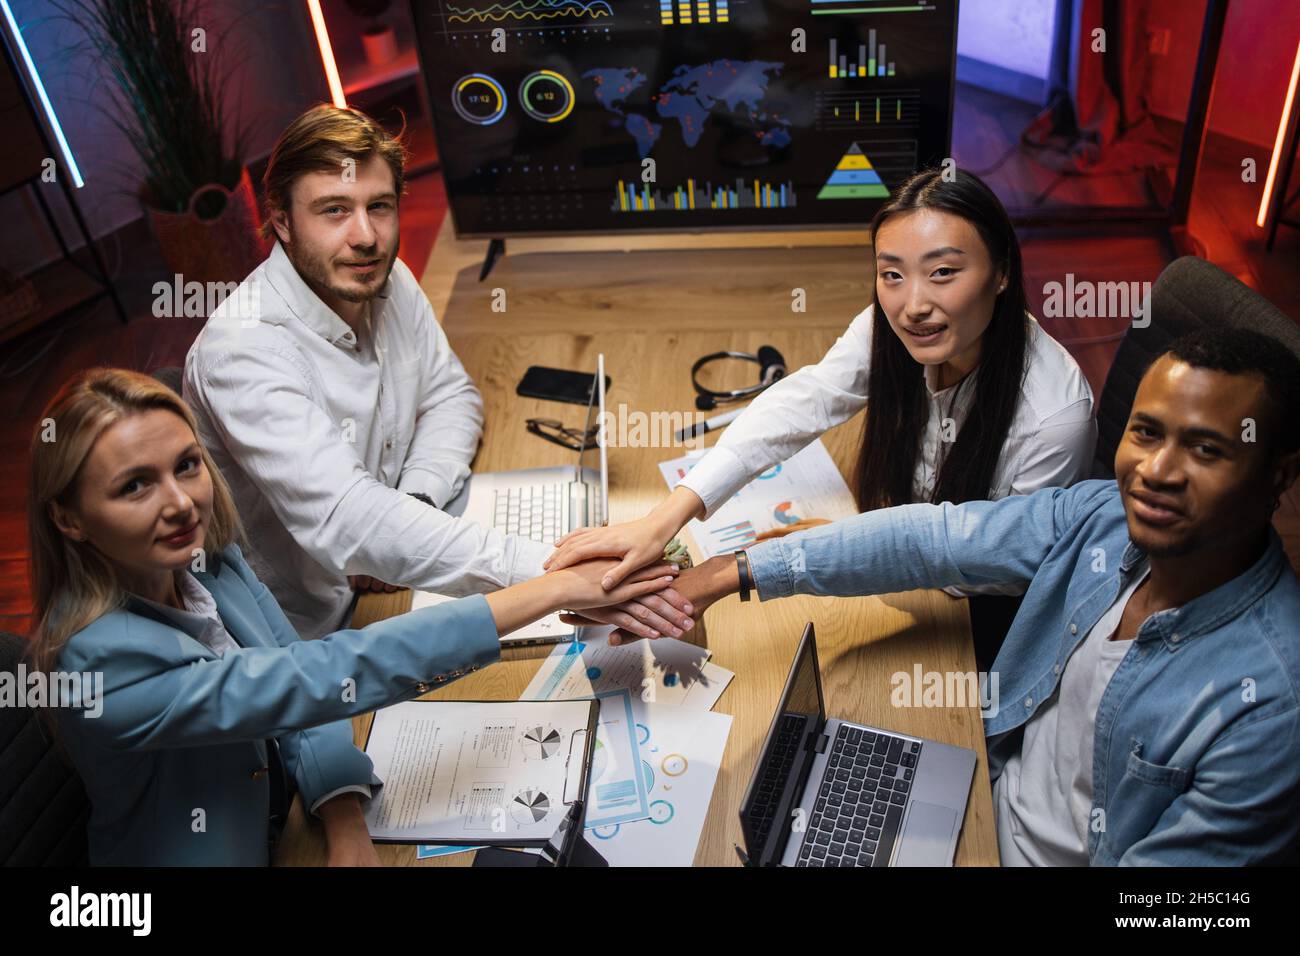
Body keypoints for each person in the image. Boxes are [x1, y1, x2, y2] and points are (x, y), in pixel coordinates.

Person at [575, 328, 1300, 865]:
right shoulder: (1102, 515)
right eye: (1146, 433)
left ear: (1279, 476)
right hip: (984, 777)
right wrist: (725, 576)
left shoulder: (1274, 703)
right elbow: (934, 540)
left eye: (1207, 449)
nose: (1158, 471)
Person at [27, 369, 684, 866]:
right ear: (69, 518)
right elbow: (321, 674)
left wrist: (343, 816)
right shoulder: (101, 664)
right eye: (134, 486)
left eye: (186, 466)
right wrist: (556, 586)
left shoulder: (207, 560)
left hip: (290, 829)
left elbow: (295, 686)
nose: (180, 504)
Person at [182, 105, 691, 643]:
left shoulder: (388, 278)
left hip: (399, 567)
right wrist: (562, 573)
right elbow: (350, 522)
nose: (366, 236)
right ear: (282, 221)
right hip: (312, 636)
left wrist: (414, 500)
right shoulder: (243, 350)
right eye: (333, 210)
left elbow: (452, 397)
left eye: (379, 206)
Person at [544, 167, 1096, 609]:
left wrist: (831, 550)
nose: (913, 304)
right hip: (888, 555)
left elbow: (990, 566)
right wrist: (664, 518)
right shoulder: (890, 328)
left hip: (964, 611)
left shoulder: (1054, 416)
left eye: (944, 272)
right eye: (892, 274)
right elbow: (802, 400)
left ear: (1001, 272)